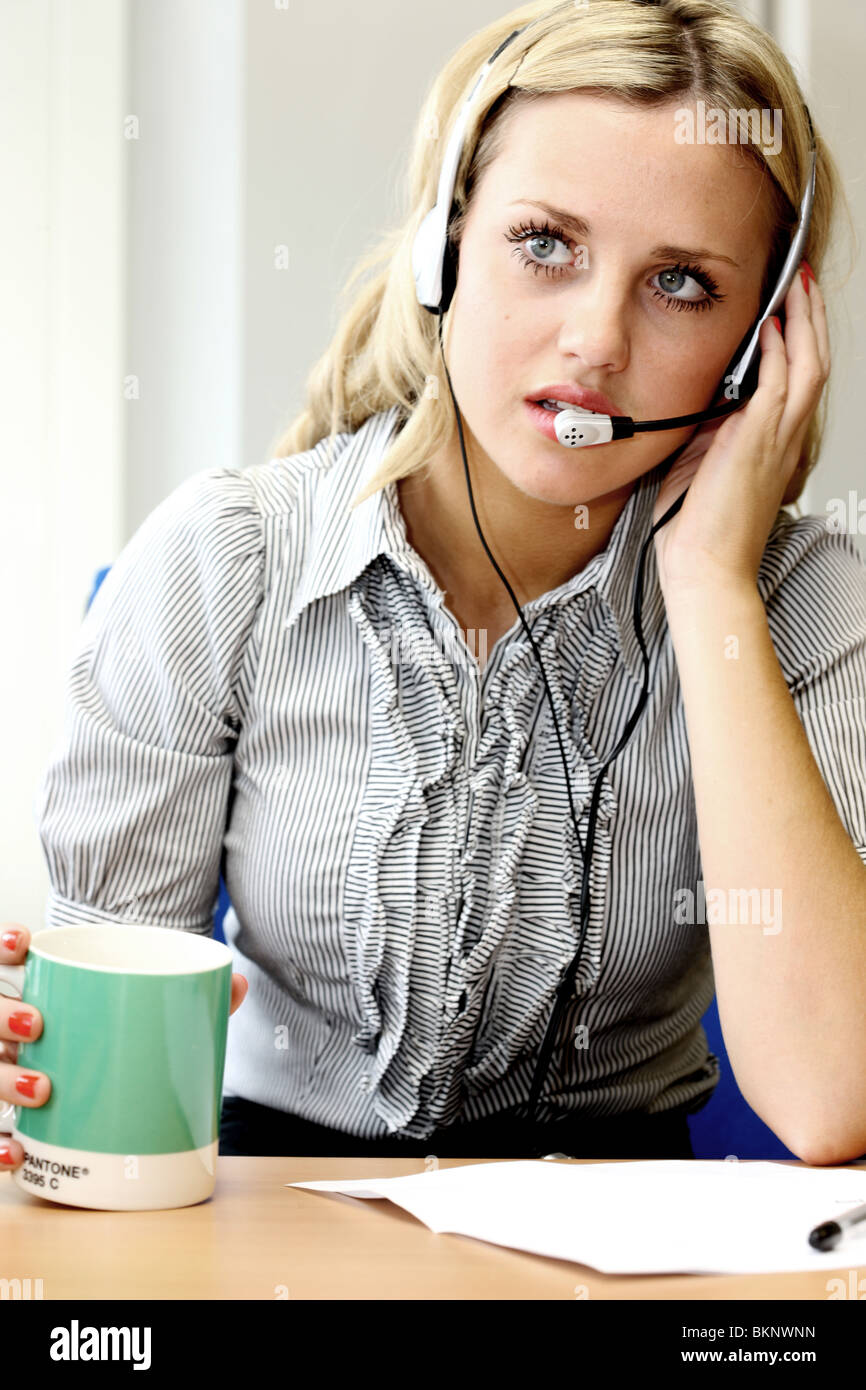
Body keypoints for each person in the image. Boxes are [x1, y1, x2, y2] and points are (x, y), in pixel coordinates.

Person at [2, 0, 865, 1169]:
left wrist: (711, 583)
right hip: (272, 1212)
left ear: (763, 340)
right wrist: (50, 1073)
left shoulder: (804, 596)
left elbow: (830, 1097)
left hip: (629, 1252)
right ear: (441, 247)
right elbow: (103, 1096)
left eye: (680, 284)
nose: (593, 343)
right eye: (544, 243)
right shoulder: (226, 563)